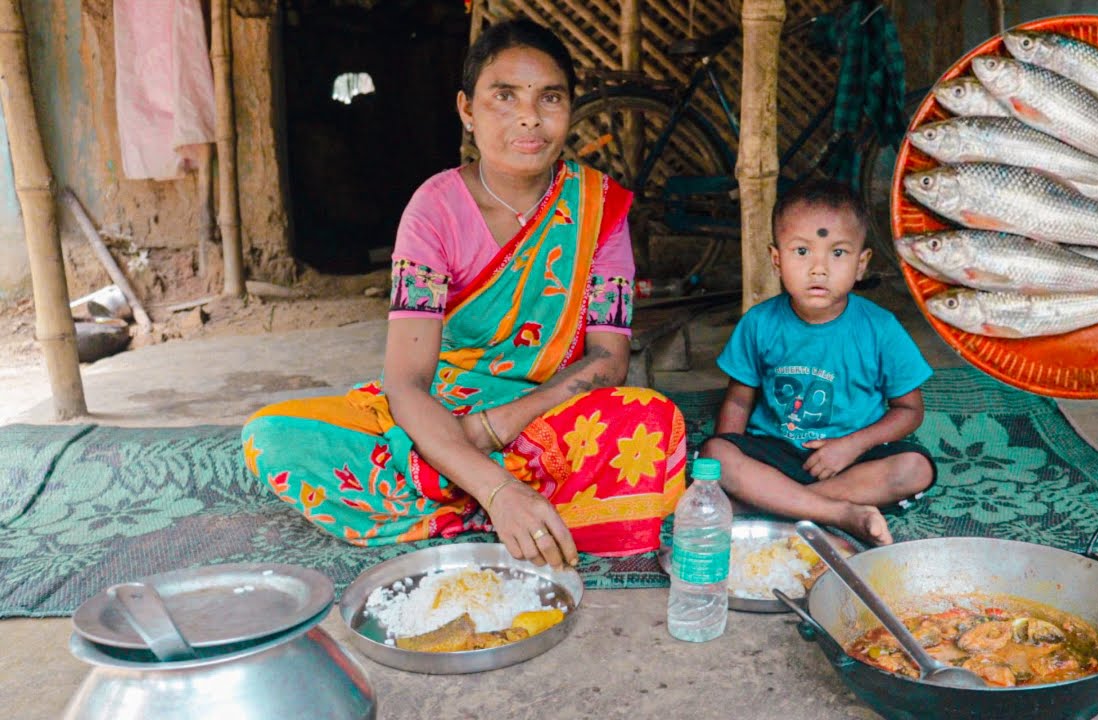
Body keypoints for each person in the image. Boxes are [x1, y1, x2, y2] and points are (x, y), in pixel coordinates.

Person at [241, 19, 686, 569]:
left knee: (654, 424)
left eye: (550, 97)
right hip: (442, 410)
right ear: (467, 110)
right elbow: (406, 383)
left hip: (552, 416)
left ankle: (459, 501)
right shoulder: (434, 210)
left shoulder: (599, 207)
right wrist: (496, 485)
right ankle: (506, 507)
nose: (529, 116)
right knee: (273, 436)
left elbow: (607, 360)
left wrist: (499, 425)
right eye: (504, 96)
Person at [699, 179, 935, 546]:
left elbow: (909, 410)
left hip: (851, 458)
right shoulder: (760, 323)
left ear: (862, 263)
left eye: (838, 253)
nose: (819, 268)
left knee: (915, 468)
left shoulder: (881, 328)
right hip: (776, 451)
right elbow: (739, 399)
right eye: (802, 251)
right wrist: (727, 456)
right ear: (777, 260)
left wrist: (852, 445)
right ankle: (837, 513)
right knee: (716, 454)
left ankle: (772, 502)